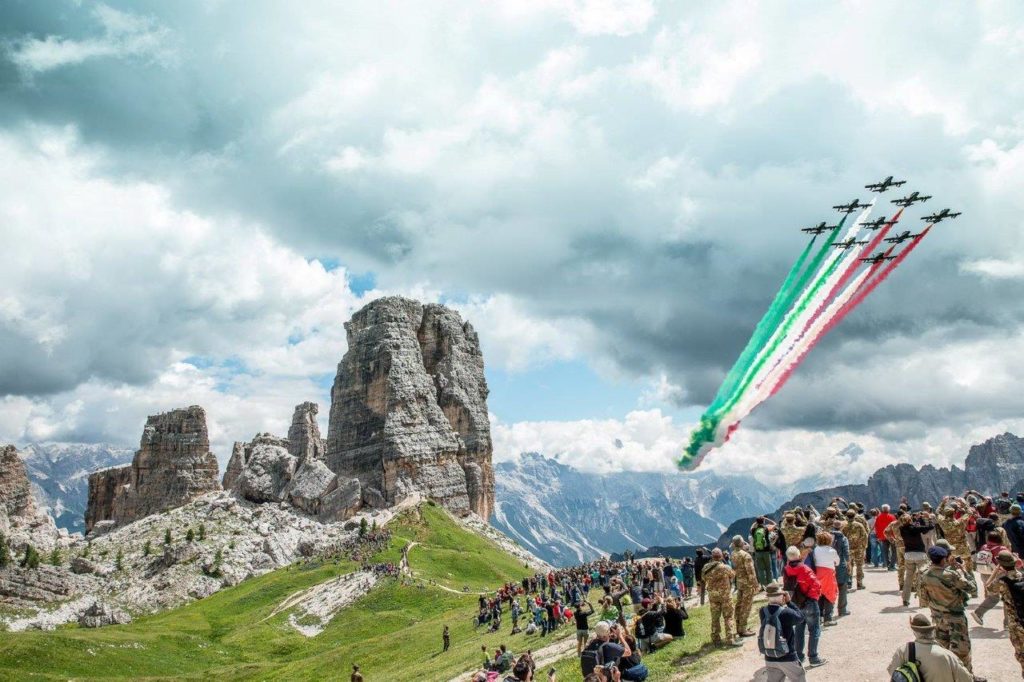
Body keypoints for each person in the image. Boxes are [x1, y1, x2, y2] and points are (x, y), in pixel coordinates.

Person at [918, 545, 984, 681]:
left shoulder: (924, 575)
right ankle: (967, 678)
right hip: (956, 620)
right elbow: (972, 588)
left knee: (942, 650)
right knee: (962, 652)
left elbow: (923, 600)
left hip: (938, 619)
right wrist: (964, 571)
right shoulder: (951, 575)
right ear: (943, 560)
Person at [886, 614, 973, 682]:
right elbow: (967, 679)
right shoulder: (948, 655)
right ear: (932, 632)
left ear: (915, 632)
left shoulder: (904, 651)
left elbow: (892, 672)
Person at [782, 546, 825, 667]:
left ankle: (799, 657)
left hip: (795, 604)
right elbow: (816, 585)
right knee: (814, 630)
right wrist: (813, 599)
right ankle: (814, 657)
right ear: (799, 555)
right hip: (809, 602)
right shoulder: (805, 569)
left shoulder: (786, 569)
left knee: (799, 631)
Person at [757, 582, 806, 681]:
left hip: (770, 657)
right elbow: (800, 617)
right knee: (799, 678)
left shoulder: (763, 611)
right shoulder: (786, 612)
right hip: (788, 657)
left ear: (768, 597)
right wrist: (789, 602)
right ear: (782, 596)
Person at [989, 550, 1024, 675]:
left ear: (1001, 564)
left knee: (1021, 655)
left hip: (1016, 622)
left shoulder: (1002, 581)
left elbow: (989, 588)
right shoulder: (1022, 575)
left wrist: (997, 571)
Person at [703, 548, 741, 647]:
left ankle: (716, 639)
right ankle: (730, 639)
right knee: (728, 617)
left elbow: (703, 578)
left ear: (712, 557)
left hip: (713, 596)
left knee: (715, 618)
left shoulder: (706, 567)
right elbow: (733, 575)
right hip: (725, 596)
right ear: (721, 556)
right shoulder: (725, 567)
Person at [899, 511, 935, 607]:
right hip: (919, 554)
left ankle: (905, 599)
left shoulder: (902, 529)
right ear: (910, 520)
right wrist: (929, 518)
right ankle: (922, 600)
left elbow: (911, 525)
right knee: (922, 577)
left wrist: (917, 519)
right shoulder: (915, 528)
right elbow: (930, 527)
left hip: (908, 554)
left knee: (909, 578)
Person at [731, 536, 758, 637]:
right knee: (746, 606)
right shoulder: (746, 555)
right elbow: (750, 571)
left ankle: (738, 626)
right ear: (742, 543)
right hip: (747, 583)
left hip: (739, 582)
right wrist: (755, 584)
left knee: (739, 604)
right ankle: (743, 629)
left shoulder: (733, 554)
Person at [811, 532, 839, 626]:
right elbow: (837, 562)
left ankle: (819, 617)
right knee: (830, 595)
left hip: (817, 573)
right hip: (829, 574)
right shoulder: (832, 551)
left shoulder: (815, 549)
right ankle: (828, 618)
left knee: (819, 595)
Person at [829, 519, 850, 617]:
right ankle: (842, 610)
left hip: (829, 566)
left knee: (830, 589)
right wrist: (848, 565)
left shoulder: (828, 537)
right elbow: (846, 554)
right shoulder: (843, 538)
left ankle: (828, 612)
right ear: (841, 527)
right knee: (842, 587)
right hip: (840, 566)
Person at [842, 508, 868, 589]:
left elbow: (842, 537)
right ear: (854, 516)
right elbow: (865, 536)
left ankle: (849, 583)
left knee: (849, 566)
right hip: (859, 548)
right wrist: (864, 546)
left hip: (848, 549)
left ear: (847, 516)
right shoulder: (859, 525)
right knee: (859, 566)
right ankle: (859, 584)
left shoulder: (844, 526)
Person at [751, 517, 774, 587]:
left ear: (757, 522)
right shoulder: (766, 529)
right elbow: (774, 525)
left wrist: (755, 523)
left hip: (757, 551)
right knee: (768, 568)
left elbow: (751, 528)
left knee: (760, 569)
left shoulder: (754, 530)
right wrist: (766, 519)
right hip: (766, 551)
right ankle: (770, 583)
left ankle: (763, 584)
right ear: (763, 521)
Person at [876, 504, 897, 570]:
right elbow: (895, 527)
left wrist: (878, 536)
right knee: (894, 551)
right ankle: (892, 565)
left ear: (882, 509)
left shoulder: (878, 517)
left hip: (883, 537)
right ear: (888, 509)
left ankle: (888, 564)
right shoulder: (892, 517)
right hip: (892, 536)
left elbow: (877, 527)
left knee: (885, 551)